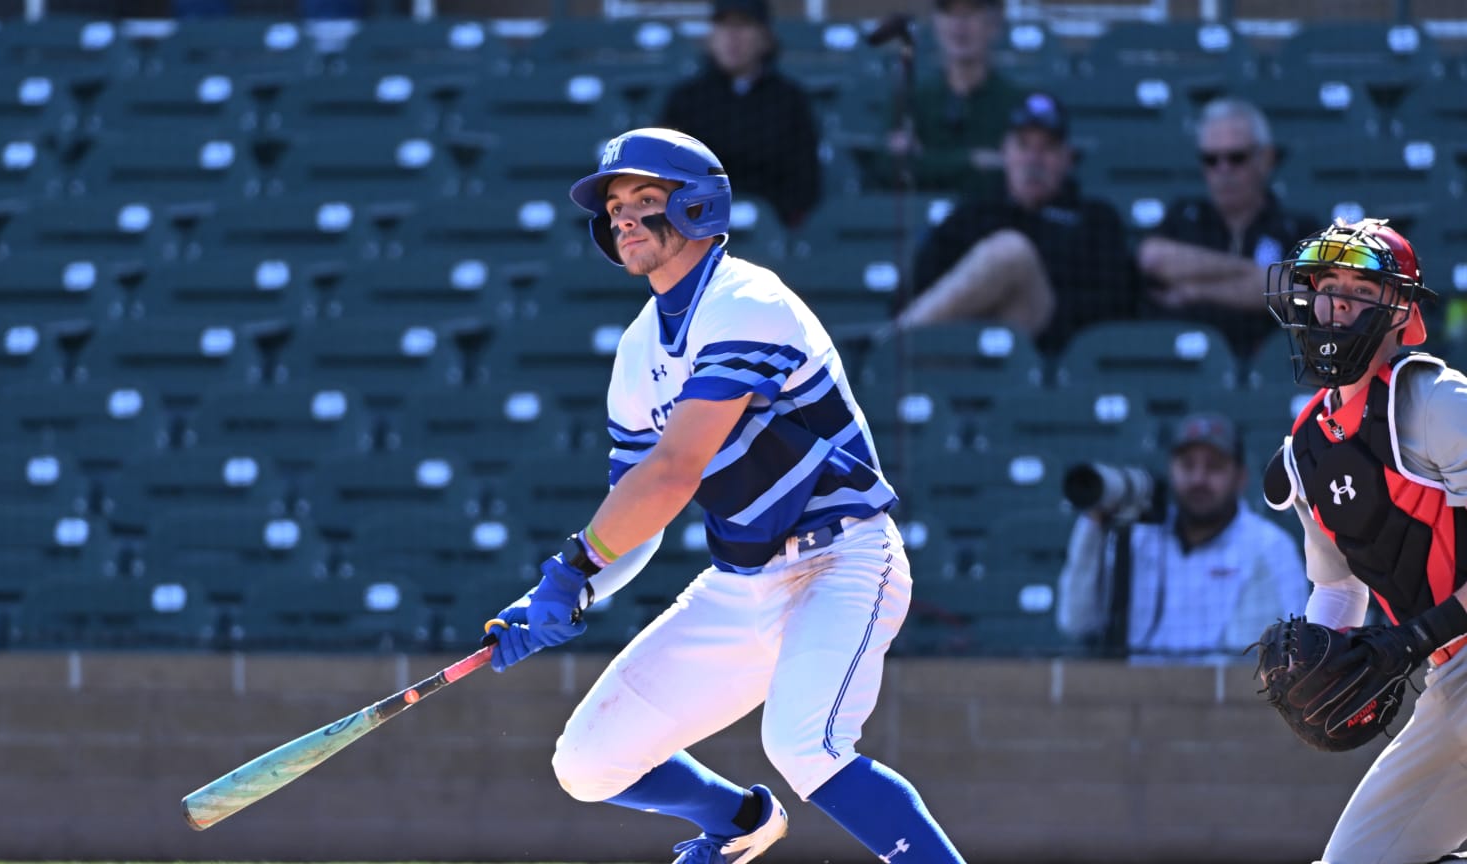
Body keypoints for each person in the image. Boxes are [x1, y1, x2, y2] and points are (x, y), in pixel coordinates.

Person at [484, 128, 967, 864]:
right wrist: (570, 587)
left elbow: (675, 473)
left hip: (843, 560)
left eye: (646, 199)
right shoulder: (637, 352)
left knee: (807, 746)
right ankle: (740, 821)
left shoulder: (748, 301)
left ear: (700, 206)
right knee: (586, 762)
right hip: (745, 581)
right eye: (614, 204)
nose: (623, 217)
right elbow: (639, 516)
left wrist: (575, 564)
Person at [1263, 217, 1467, 864]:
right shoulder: (1306, 451)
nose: (1339, 301)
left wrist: (1411, 638)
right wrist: (1314, 664)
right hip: (1453, 680)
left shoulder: (1438, 402)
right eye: (1328, 284)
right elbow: (1337, 587)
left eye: (1361, 286)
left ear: (1399, 310)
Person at [895, 91, 1137, 356]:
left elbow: (1118, 306)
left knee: (1011, 251)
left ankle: (890, 347)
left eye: (1047, 148)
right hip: (960, 351)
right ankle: (895, 349)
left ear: (1068, 158)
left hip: (1050, 349)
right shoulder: (974, 212)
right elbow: (915, 289)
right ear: (1005, 152)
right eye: (1023, 145)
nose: (1034, 160)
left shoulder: (1095, 219)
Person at [1055, 411, 1308, 660]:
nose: (1198, 479)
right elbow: (1076, 621)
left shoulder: (1269, 547)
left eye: (1214, 467)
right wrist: (1093, 525)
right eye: (1187, 465)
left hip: (1223, 698)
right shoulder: (1137, 538)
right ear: (1171, 469)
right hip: (1128, 695)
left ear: (1241, 477)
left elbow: (1260, 664)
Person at [1137, 98, 1321, 358]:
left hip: (1273, 367)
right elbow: (1153, 258)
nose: (1223, 170)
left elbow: (1301, 291)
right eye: (1211, 160)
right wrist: (1257, 277)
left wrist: (1195, 289)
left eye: (1237, 158)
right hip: (1184, 362)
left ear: (1265, 158)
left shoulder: (1297, 226)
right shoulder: (1183, 216)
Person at [658, 0, 822, 228]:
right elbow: (667, 172)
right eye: (723, 26)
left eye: (743, 25)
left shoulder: (790, 100)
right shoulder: (685, 99)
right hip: (697, 226)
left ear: (765, 37)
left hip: (773, 228)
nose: (732, 37)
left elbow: (804, 180)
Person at [868, 0, 1020, 194]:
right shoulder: (910, 99)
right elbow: (889, 167)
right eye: (949, 13)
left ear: (994, 23)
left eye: (969, 13)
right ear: (936, 22)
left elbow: (1015, 176)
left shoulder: (1016, 102)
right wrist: (972, 160)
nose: (959, 25)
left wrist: (927, 161)